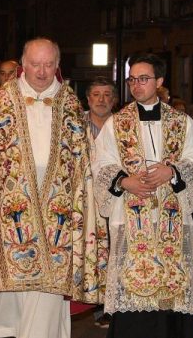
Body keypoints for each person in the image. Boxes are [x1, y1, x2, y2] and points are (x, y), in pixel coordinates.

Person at [0, 38, 104, 338]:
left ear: (57, 66)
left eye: (48, 65)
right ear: (23, 65)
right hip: (10, 215)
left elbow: (85, 165)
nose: (41, 72)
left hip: (58, 217)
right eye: (35, 65)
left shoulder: (70, 106)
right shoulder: (1, 105)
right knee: (7, 305)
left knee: (47, 295)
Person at [92, 54, 193, 338]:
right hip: (132, 221)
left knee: (173, 296)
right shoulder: (116, 123)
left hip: (172, 221)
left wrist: (172, 172)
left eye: (143, 79)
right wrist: (124, 181)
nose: (136, 85)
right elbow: (101, 163)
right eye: (132, 80)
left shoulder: (182, 122)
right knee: (132, 300)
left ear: (159, 81)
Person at [82, 76, 117, 329]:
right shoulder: (75, 125)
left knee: (114, 250)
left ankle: (110, 307)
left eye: (106, 95)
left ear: (114, 100)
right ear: (88, 99)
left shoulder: (123, 125)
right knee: (89, 250)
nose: (101, 100)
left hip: (116, 198)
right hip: (83, 198)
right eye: (96, 94)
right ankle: (90, 301)